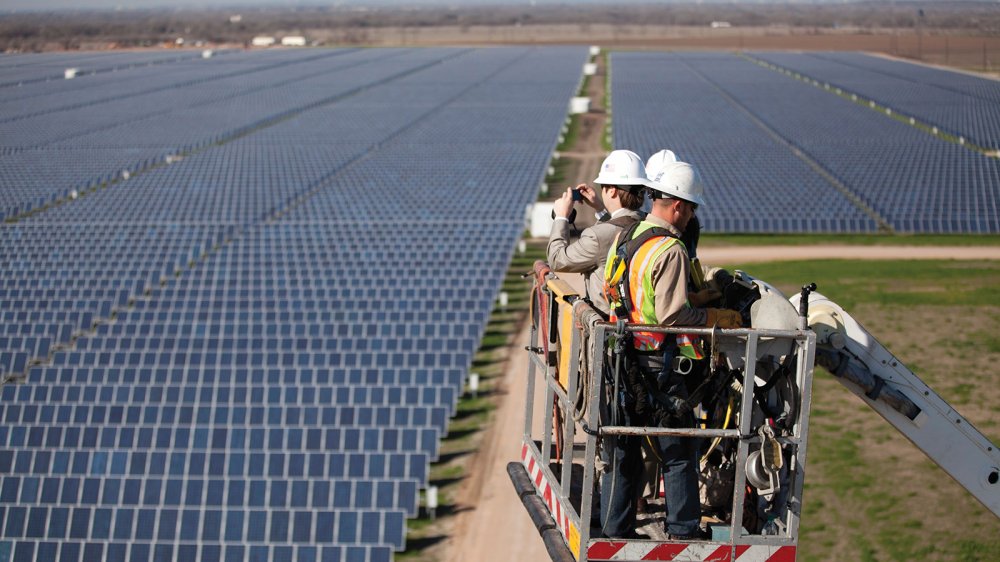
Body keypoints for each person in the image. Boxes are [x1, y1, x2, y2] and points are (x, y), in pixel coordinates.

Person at [603, 160, 741, 540]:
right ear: (678, 206)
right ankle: (682, 530)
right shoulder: (671, 249)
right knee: (678, 452)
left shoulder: (628, 236)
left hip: (622, 360)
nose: (692, 216)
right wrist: (715, 315)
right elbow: (671, 316)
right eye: (691, 208)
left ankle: (614, 528)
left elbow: (621, 291)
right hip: (659, 369)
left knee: (624, 447)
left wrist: (693, 298)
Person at [547, 150, 649, 317]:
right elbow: (621, 227)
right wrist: (601, 209)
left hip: (608, 326)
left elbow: (557, 259)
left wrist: (561, 217)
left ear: (612, 191)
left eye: (604, 187)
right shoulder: (649, 223)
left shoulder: (596, 237)